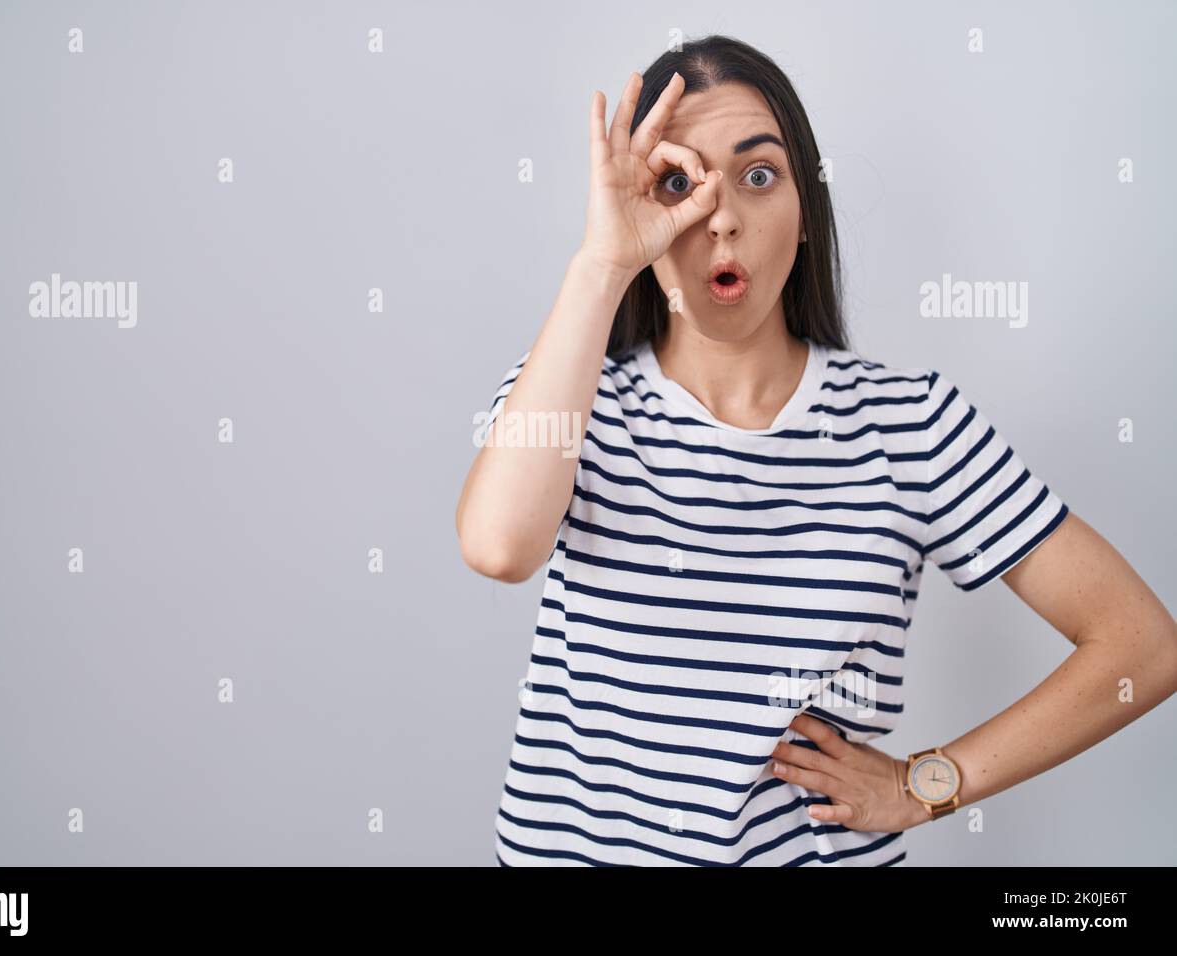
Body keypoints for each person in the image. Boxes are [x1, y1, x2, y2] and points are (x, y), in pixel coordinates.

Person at [454, 35, 1177, 866]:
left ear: (804, 218)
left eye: (759, 176)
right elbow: (499, 548)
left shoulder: (911, 425)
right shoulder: (572, 398)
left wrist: (925, 783)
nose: (720, 216)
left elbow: (1142, 647)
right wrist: (604, 261)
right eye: (677, 183)